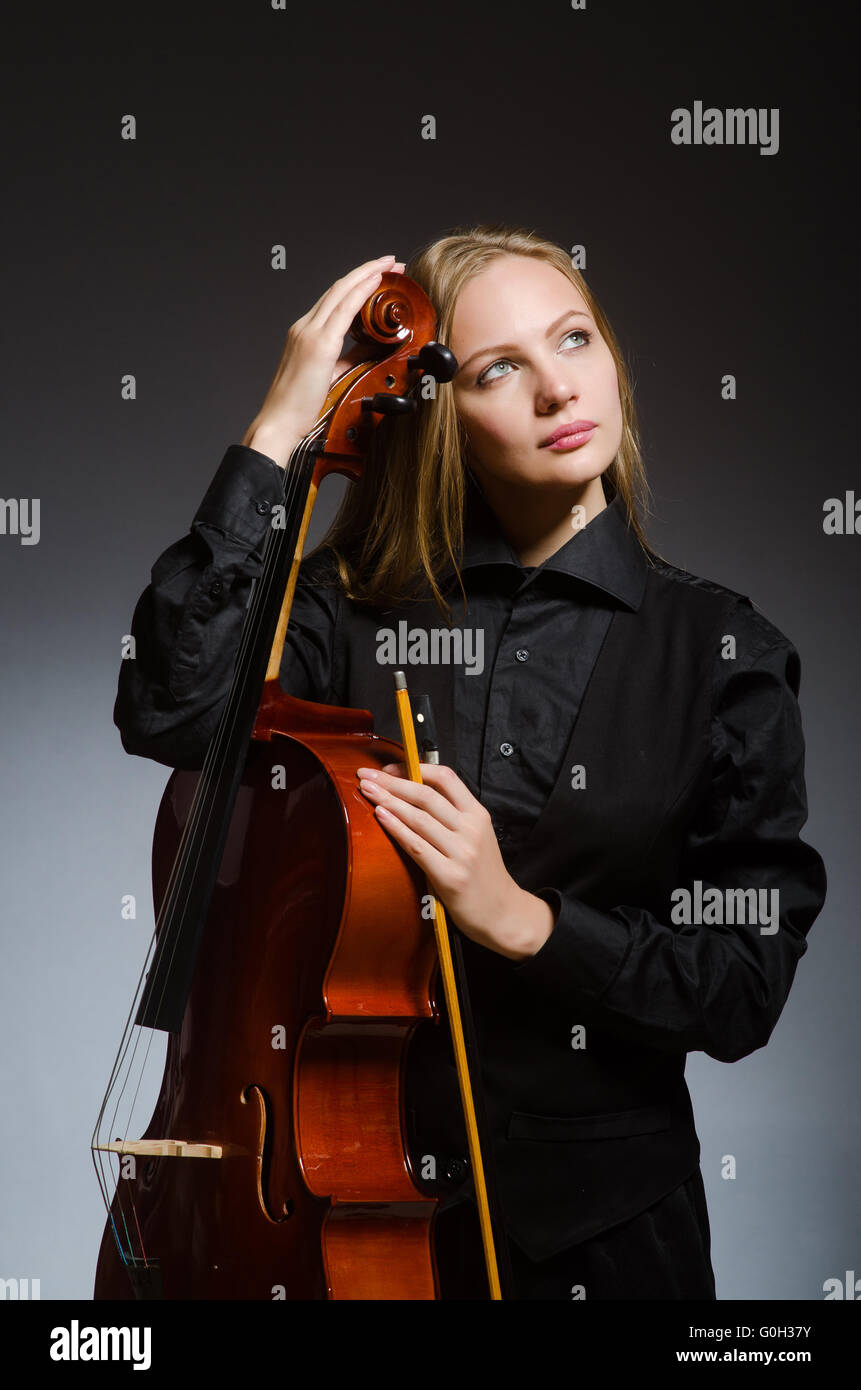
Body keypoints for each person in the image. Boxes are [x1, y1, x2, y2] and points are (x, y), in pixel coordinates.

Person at [113, 224, 827, 1300]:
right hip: (326, 1217)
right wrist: (277, 430)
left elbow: (742, 989)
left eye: (574, 339)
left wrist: (523, 920)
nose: (558, 388)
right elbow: (172, 709)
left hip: (604, 1244)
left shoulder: (724, 654)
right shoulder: (342, 614)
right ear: (440, 410)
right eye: (498, 369)